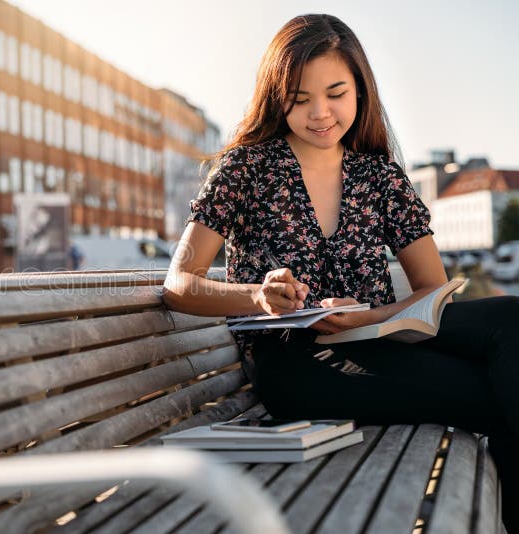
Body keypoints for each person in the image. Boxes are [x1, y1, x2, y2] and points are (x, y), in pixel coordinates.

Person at [162, 14, 518, 531]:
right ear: (275, 97)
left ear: (360, 90)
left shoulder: (379, 176)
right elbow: (180, 284)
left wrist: (362, 318)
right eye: (300, 98)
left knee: (511, 318)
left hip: (378, 339)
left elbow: (433, 294)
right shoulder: (245, 170)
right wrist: (257, 296)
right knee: (502, 393)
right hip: (298, 362)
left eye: (335, 93)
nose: (320, 113)